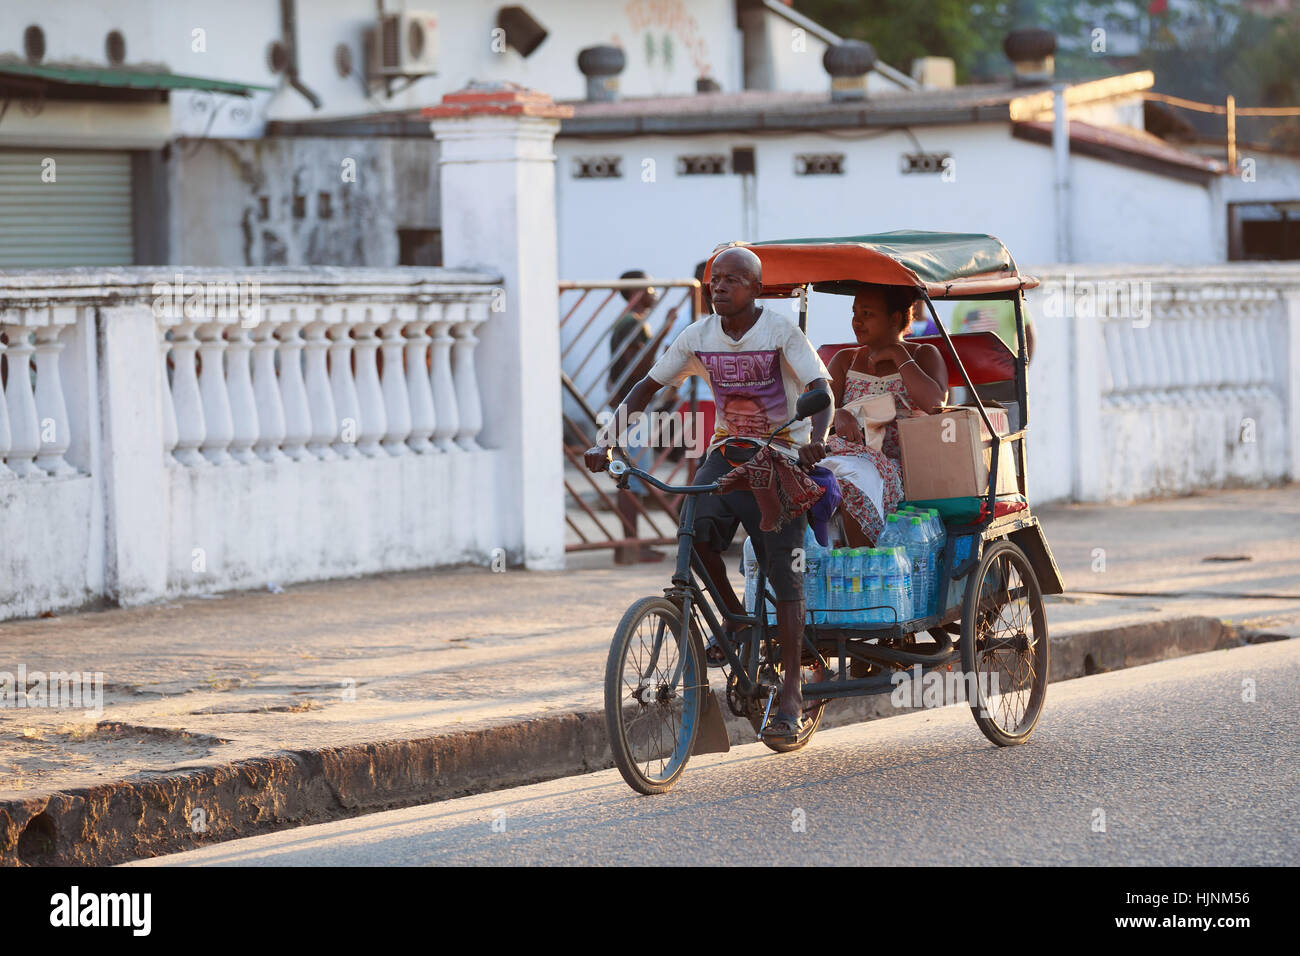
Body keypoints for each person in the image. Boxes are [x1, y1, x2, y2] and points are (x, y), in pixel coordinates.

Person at [585, 247, 833, 741]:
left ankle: (790, 694)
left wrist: (819, 438)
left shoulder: (780, 331)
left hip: (781, 453)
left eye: (732, 280)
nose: (719, 287)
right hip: (728, 452)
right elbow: (645, 388)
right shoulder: (697, 336)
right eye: (714, 279)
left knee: (785, 572)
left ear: (756, 289)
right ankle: (737, 620)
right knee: (692, 530)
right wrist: (608, 437)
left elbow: (820, 386)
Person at [824, 285, 948, 548]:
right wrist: (839, 414)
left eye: (867, 313)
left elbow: (935, 404)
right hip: (850, 458)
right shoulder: (845, 360)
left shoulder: (923, 354)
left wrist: (898, 353)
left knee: (852, 478)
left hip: (903, 467)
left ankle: (864, 563)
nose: (857, 321)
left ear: (895, 318)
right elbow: (820, 409)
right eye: (854, 312)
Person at [608, 270, 667, 563]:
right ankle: (631, 544)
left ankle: (628, 543)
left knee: (627, 474)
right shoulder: (633, 324)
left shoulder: (628, 322)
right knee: (629, 476)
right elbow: (638, 367)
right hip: (630, 410)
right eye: (650, 287)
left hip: (627, 408)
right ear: (636, 292)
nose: (655, 292)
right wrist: (666, 332)